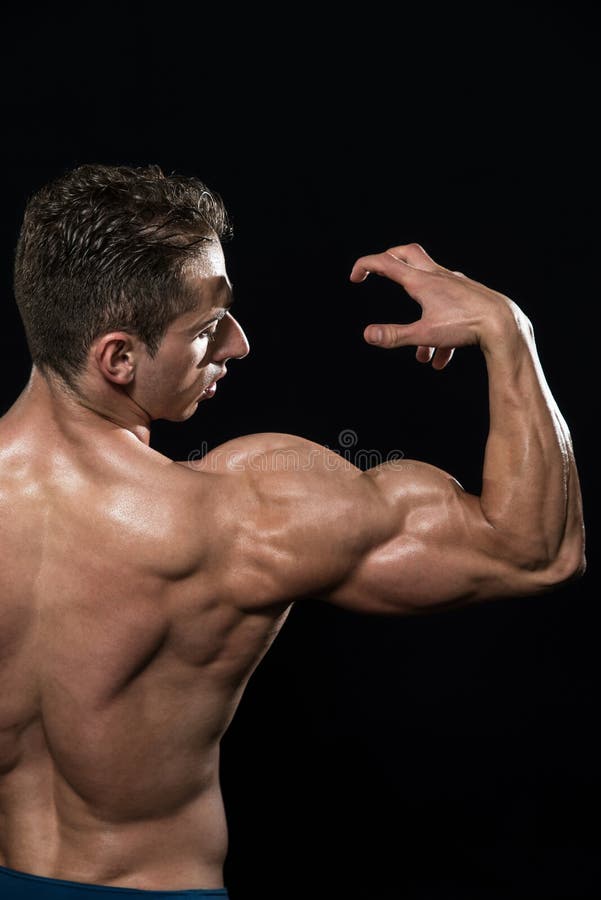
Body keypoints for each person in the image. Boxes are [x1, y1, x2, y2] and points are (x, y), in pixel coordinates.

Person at [0, 163, 585, 899]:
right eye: (208, 327)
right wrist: (507, 331)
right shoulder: (243, 515)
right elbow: (537, 553)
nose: (237, 345)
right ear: (118, 357)